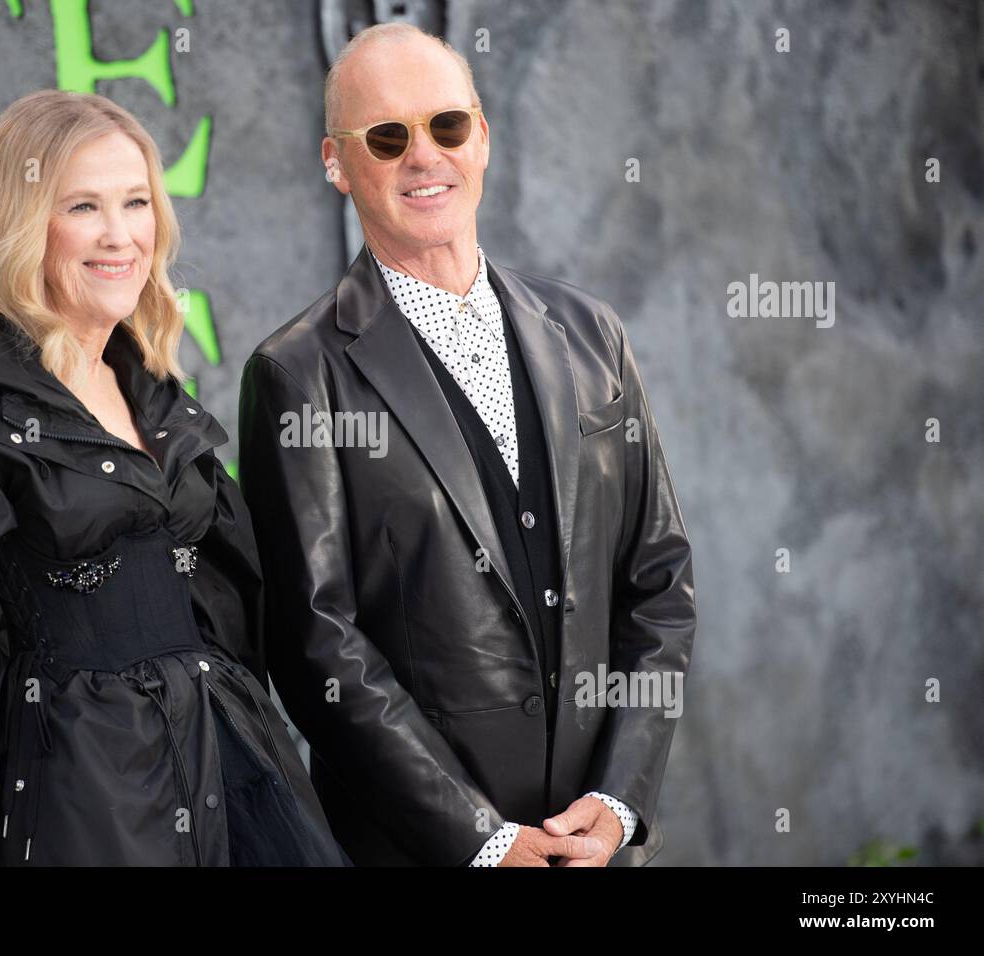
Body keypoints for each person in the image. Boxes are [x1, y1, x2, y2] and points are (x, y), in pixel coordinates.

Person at [0, 89, 348, 866]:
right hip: (81, 810)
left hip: (227, 775)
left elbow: (223, 610)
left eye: (136, 203)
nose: (120, 236)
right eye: (83, 207)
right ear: (20, 226)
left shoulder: (150, 384)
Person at [238, 23, 696, 867]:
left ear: (481, 137)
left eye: (446, 125)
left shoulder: (594, 335)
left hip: (598, 851)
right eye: (386, 137)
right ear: (337, 163)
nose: (424, 157)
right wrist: (478, 840)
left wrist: (618, 799)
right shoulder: (298, 374)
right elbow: (314, 645)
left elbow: (659, 582)